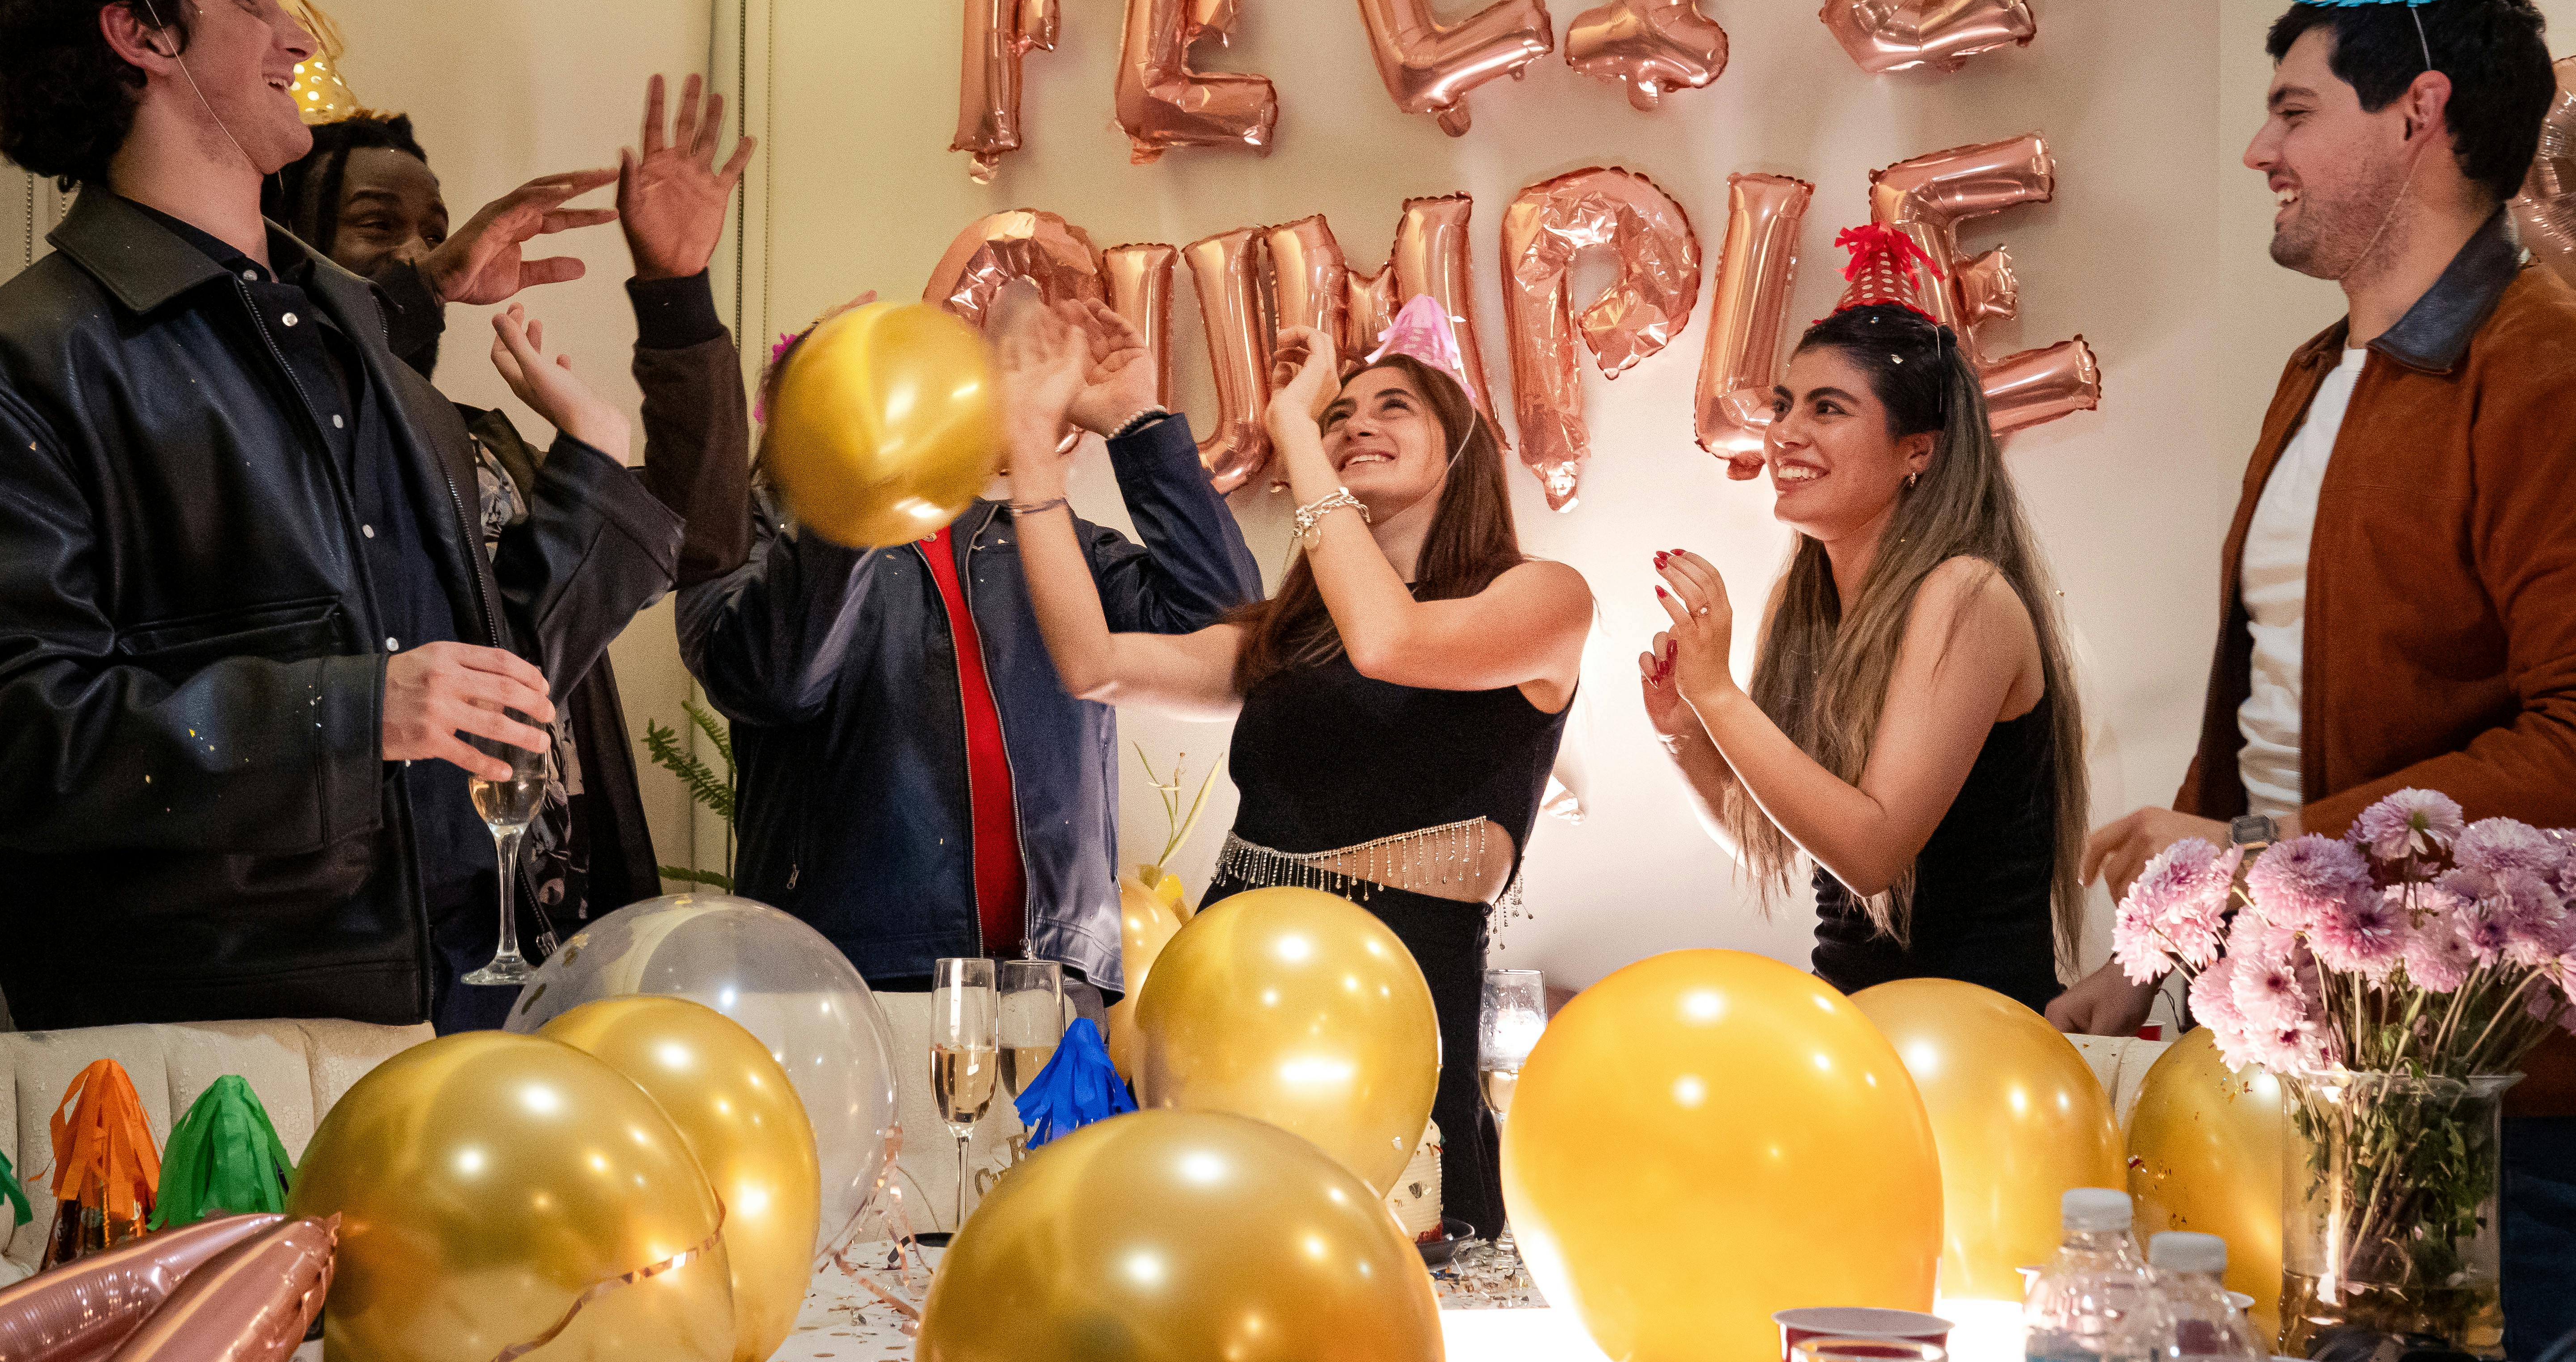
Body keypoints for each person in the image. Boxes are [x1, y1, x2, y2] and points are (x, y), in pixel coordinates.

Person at [0, 0, 682, 1031]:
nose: (297, 31)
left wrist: (596, 477)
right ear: (142, 33)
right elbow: (6, 744)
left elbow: (486, 678)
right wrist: (351, 713)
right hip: (214, 1070)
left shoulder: (357, 344)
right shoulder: (20, 373)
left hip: (461, 1025)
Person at [2043, 0, 2576, 1356]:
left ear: (2420, 116)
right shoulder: (2312, 370)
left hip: (2486, 1117)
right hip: (2300, 1075)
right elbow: (2266, 714)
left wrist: (2245, 854)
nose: (2257, 153)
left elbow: (2570, 744)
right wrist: (2168, 943)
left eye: (2294, 110)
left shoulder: (2543, 372)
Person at [992, 296, 1592, 1238]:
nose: (1356, 423)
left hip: (1396, 992)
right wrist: (1033, 443)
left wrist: (1294, 428)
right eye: (1340, 413)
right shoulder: (1289, 634)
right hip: (1237, 992)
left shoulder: (1542, 598)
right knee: (1222, 1262)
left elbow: (1390, 639)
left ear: (1462, 449)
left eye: (1394, 407)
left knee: (1397, 1273)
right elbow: (1093, 663)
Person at [262, 75, 755, 959]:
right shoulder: (279, 457)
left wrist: (675, 290)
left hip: (560, 935)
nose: (417, 250)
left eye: (433, 227)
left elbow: (703, 531)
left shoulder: (484, 443)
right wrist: (592, 455)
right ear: (293, 247)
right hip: (408, 949)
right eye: (377, 224)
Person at [668, 289, 1260, 1003]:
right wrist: (855, 495)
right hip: (849, 972)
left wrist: (1135, 423)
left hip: (1054, 979)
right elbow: (770, 679)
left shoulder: (1036, 533)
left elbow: (1222, 628)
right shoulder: (742, 534)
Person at [1641, 286, 2091, 1012]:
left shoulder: (1965, 593)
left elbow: (1872, 855)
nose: (1784, 432)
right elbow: (1774, 840)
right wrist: (1682, 730)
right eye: (1784, 405)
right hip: (1857, 1031)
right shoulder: (1808, 603)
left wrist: (1720, 697)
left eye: (1828, 408)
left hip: (1974, 1043)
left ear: (1918, 451)